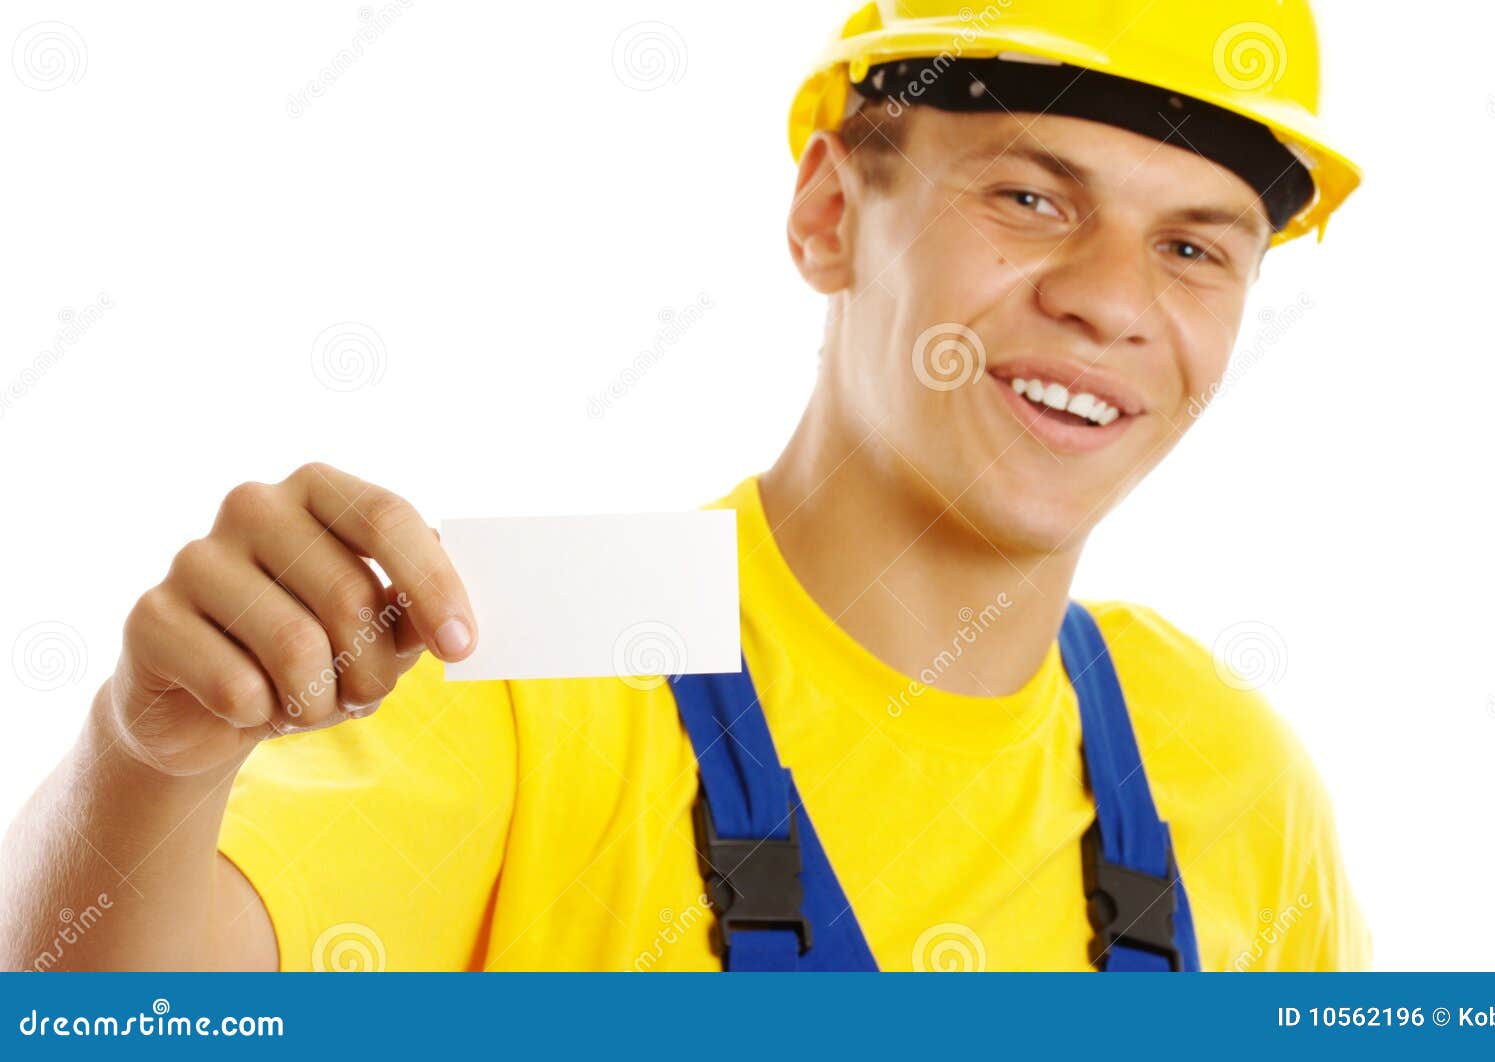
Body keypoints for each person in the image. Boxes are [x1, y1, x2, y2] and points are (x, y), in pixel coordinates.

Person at [0, 0, 1371, 972]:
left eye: (1196, 250)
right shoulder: (552, 639)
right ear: (830, 214)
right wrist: (148, 759)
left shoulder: (1223, 768)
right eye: (1029, 198)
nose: (1108, 303)